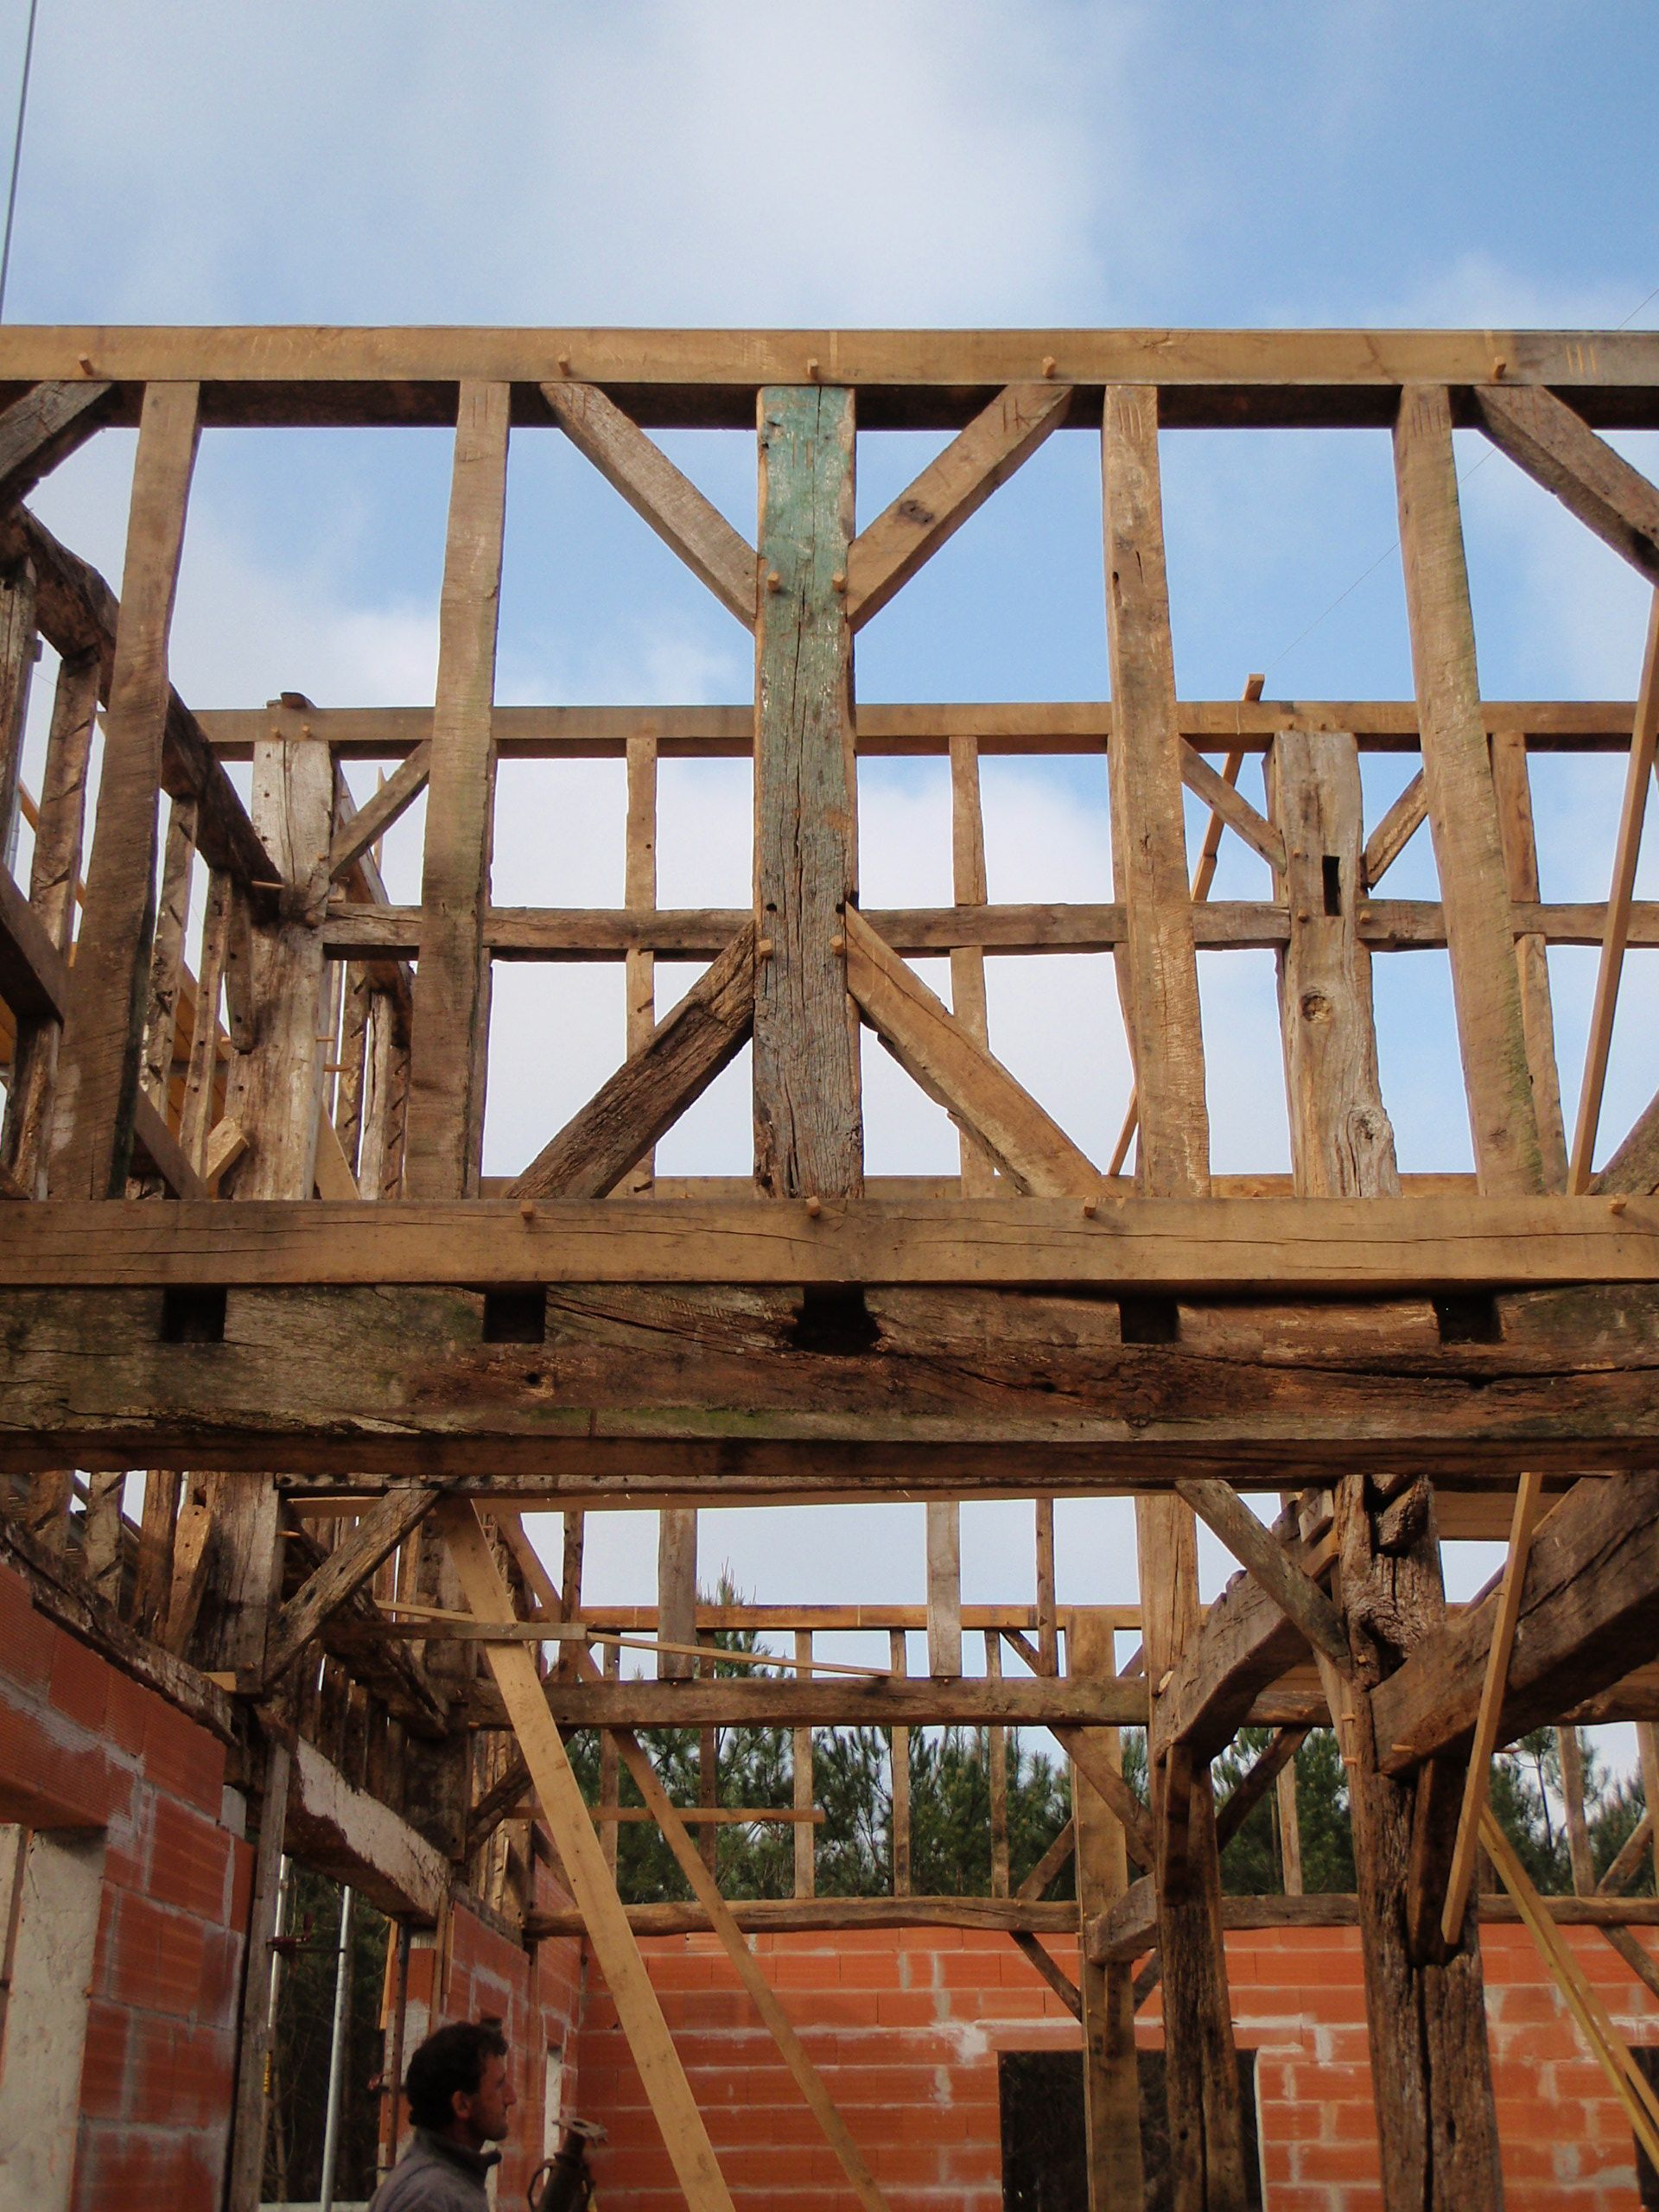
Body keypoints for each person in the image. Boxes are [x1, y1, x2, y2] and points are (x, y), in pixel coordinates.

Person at [369, 2018, 518, 2211]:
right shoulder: (429, 2197)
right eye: (499, 2085)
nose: (511, 2097)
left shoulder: (445, 2183)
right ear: (462, 2105)